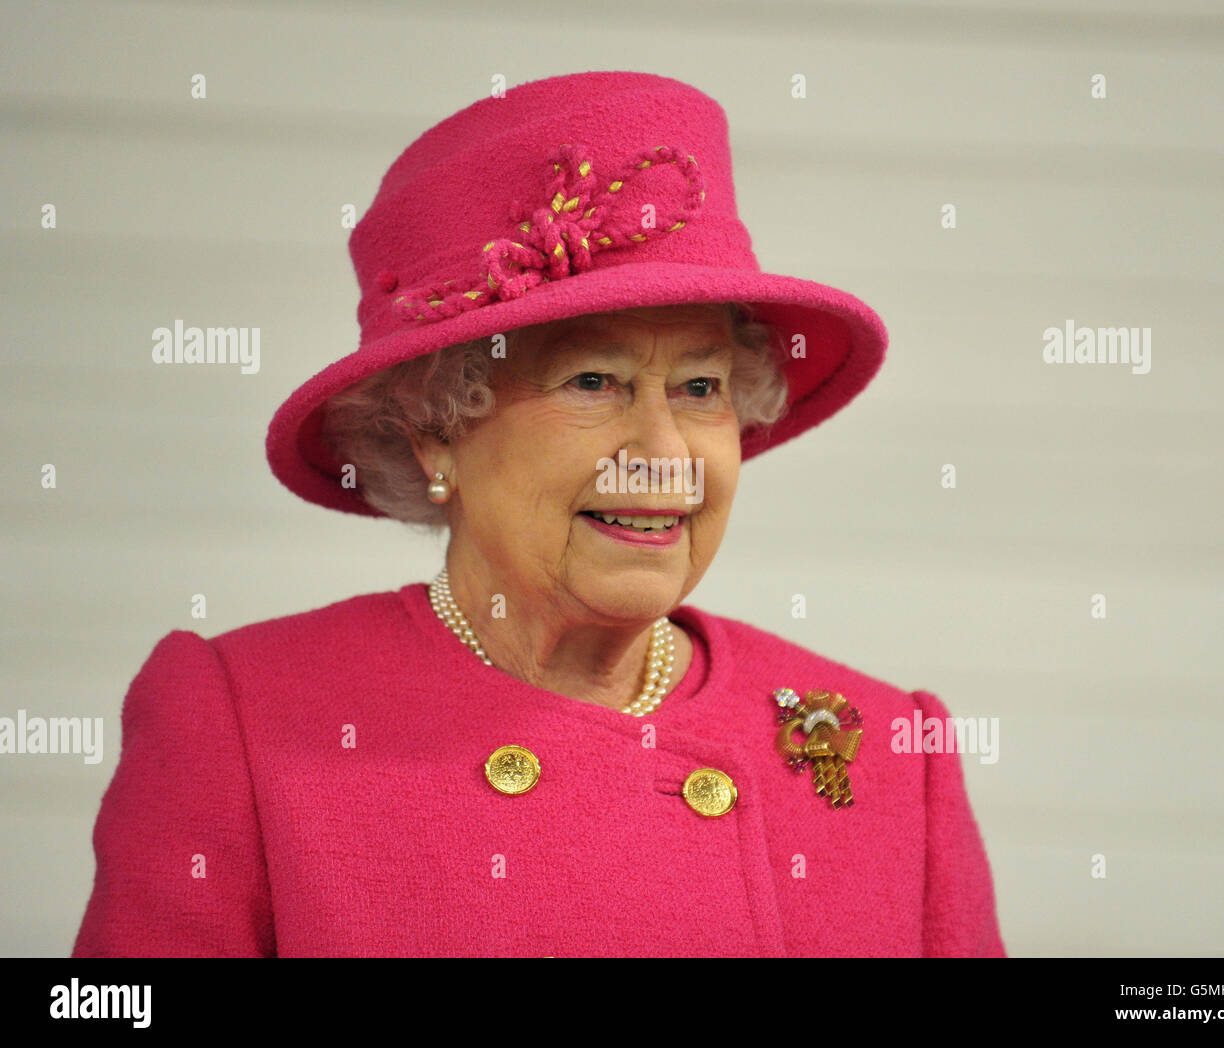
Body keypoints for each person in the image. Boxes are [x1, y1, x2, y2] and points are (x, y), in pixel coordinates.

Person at [72, 70, 1005, 957]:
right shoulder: (246, 723)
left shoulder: (888, 748)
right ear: (436, 430)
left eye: (700, 386)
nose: (665, 453)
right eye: (593, 381)